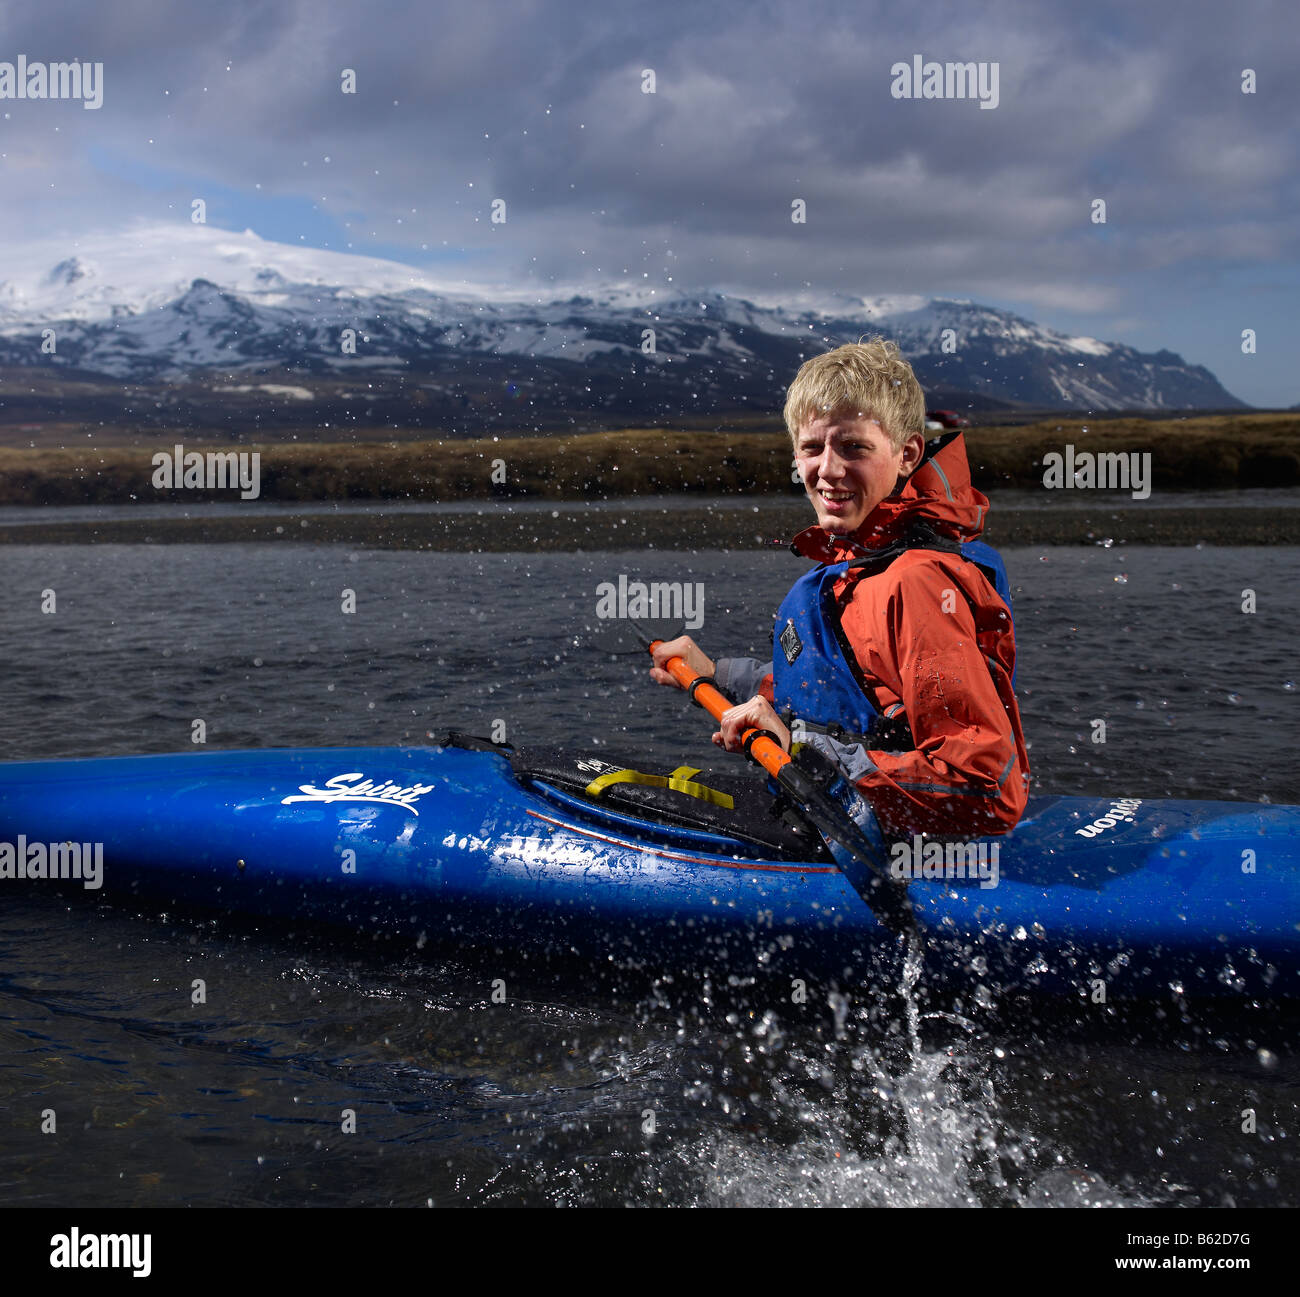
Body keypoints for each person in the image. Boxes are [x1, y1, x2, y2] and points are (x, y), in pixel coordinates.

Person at [650, 339, 1028, 842]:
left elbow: (984, 788)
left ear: (907, 453)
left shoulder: (917, 584)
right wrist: (715, 675)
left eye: (854, 447)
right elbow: (833, 694)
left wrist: (803, 753)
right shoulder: (856, 562)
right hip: (845, 825)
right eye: (812, 447)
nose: (827, 469)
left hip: (902, 853)